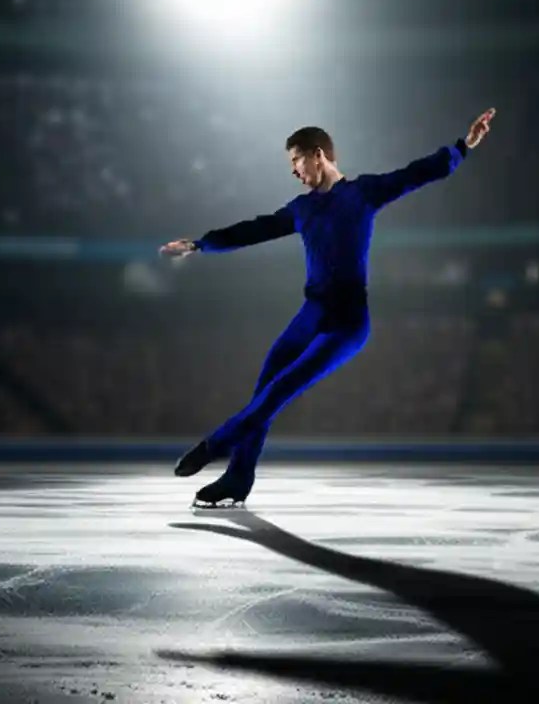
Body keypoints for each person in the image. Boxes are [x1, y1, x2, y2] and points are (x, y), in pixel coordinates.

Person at [159, 108, 496, 507]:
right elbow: (254, 229)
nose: (293, 171)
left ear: (318, 155)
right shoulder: (301, 209)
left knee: (278, 391)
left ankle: (214, 445)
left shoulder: (363, 193)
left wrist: (463, 146)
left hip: (347, 323)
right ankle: (238, 478)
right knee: (265, 389)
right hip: (310, 315)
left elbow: (415, 173)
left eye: (296, 160)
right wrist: (200, 244)